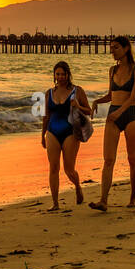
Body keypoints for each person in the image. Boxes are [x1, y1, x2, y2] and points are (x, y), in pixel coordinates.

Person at [89, 36, 135, 211]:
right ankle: (103, 200)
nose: (112, 51)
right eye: (111, 48)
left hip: (131, 115)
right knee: (108, 159)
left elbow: (133, 97)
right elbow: (112, 95)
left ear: (126, 48)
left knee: (132, 159)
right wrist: (97, 101)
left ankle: (133, 198)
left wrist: (119, 112)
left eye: (116, 47)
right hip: (113, 116)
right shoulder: (112, 70)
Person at [41, 61, 91, 210]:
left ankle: (77, 186)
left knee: (69, 169)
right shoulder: (49, 93)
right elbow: (46, 115)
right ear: (54, 75)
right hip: (52, 131)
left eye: (63, 74)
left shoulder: (78, 90)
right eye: (58, 74)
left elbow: (89, 111)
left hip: (70, 132)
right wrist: (42, 134)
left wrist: (78, 106)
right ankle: (55, 203)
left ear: (68, 75)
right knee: (53, 167)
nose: (61, 77)